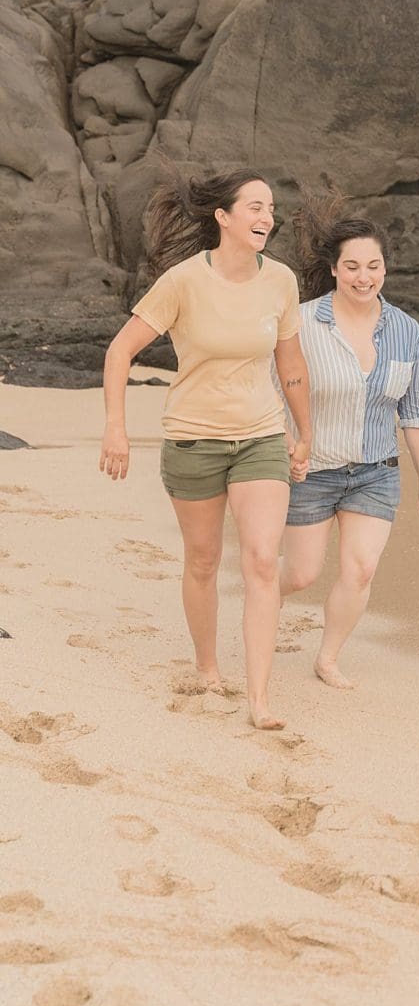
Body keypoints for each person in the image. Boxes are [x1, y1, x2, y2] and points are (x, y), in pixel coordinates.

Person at [99, 168, 312, 731]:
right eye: (255, 207)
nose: (267, 217)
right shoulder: (183, 281)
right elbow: (120, 352)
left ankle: (260, 699)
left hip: (261, 436)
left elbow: (289, 364)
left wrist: (304, 430)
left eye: (271, 208)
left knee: (263, 560)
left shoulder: (282, 282)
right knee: (203, 560)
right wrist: (115, 429)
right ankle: (208, 666)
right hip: (193, 437)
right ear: (223, 217)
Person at [279, 206, 419, 688]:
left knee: (362, 569)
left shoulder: (406, 331)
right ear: (333, 269)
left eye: (372, 266)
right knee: (302, 574)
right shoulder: (302, 325)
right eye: (351, 266)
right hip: (311, 470)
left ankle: (328, 657)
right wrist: (290, 446)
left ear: (385, 268)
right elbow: (268, 391)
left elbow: (416, 409)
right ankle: (263, 598)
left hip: (375, 471)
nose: (362, 277)